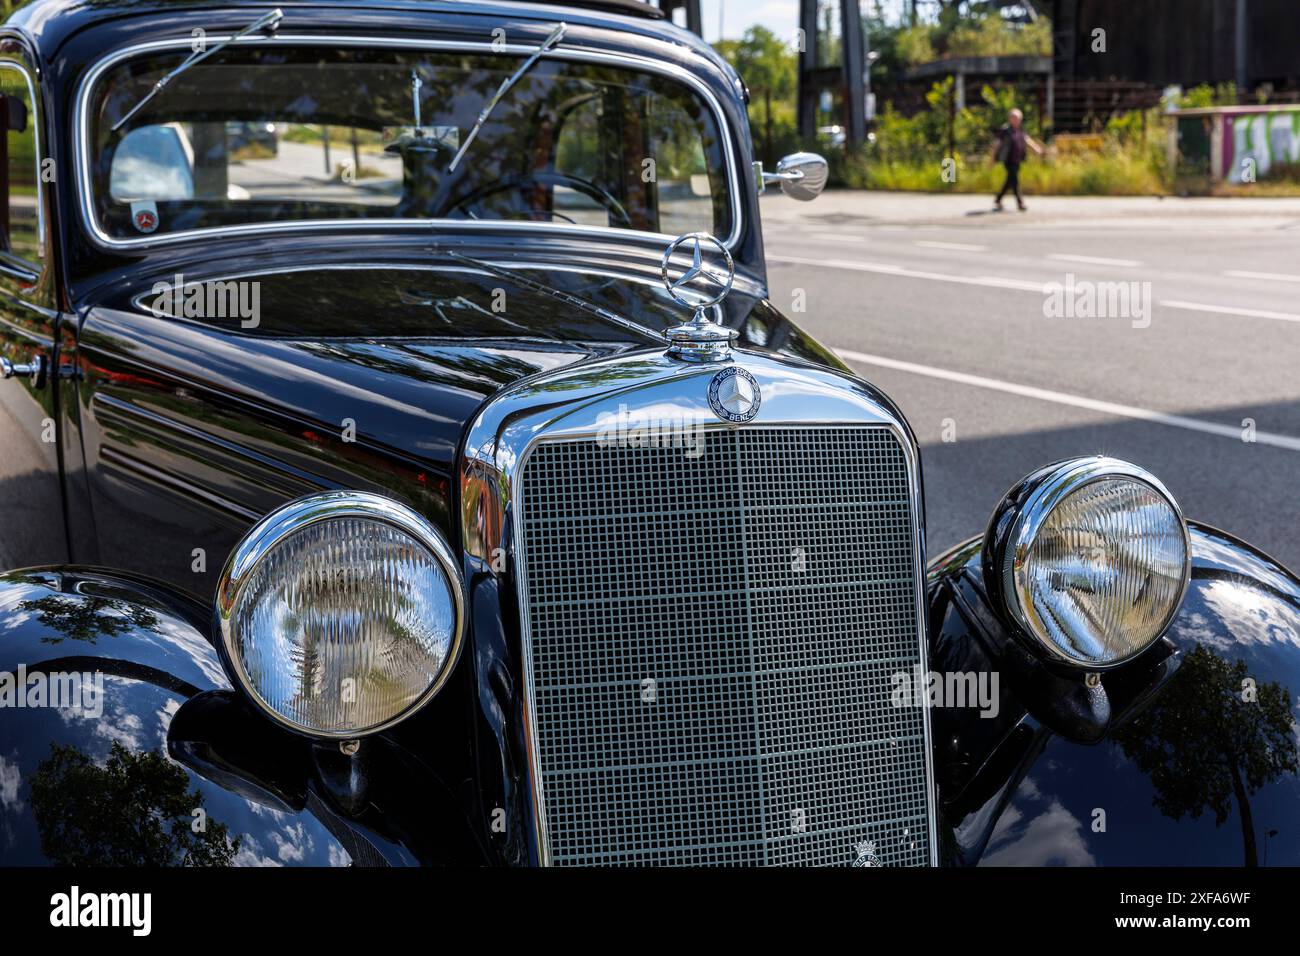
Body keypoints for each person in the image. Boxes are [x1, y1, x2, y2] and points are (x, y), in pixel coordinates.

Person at [991, 108, 1044, 211]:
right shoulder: (1005, 130)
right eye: (1014, 118)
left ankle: (998, 199)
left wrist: (1037, 149)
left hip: (1018, 159)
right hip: (1008, 159)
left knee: (1010, 181)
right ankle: (1020, 203)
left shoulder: (1020, 130)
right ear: (1010, 119)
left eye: (1018, 118)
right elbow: (996, 144)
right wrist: (992, 158)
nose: (1016, 120)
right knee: (1015, 180)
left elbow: (1027, 140)